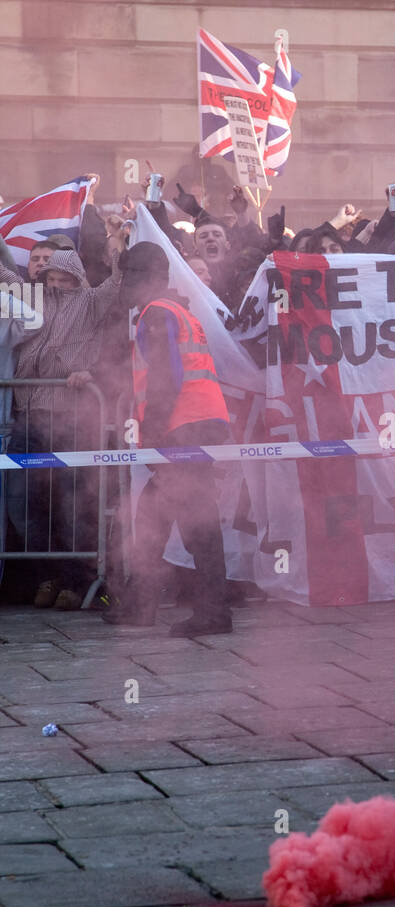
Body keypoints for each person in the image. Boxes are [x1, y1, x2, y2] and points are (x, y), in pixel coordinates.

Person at [103, 242, 233, 636]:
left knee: (197, 524)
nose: (124, 286)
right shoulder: (178, 311)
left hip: (182, 427)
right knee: (155, 516)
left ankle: (212, 613)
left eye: (127, 277)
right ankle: (140, 606)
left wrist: (154, 436)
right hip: (200, 422)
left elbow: (165, 378)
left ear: (141, 279)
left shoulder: (156, 313)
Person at [4, 247, 120, 609]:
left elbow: (119, 281)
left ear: (79, 279)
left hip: (72, 419)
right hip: (28, 417)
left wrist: (119, 247)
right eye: (50, 278)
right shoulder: (31, 297)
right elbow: (6, 278)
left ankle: (76, 582)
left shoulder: (91, 302)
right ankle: (48, 576)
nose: (55, 285)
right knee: (24, 505)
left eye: (64, 279)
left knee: (72, 506)